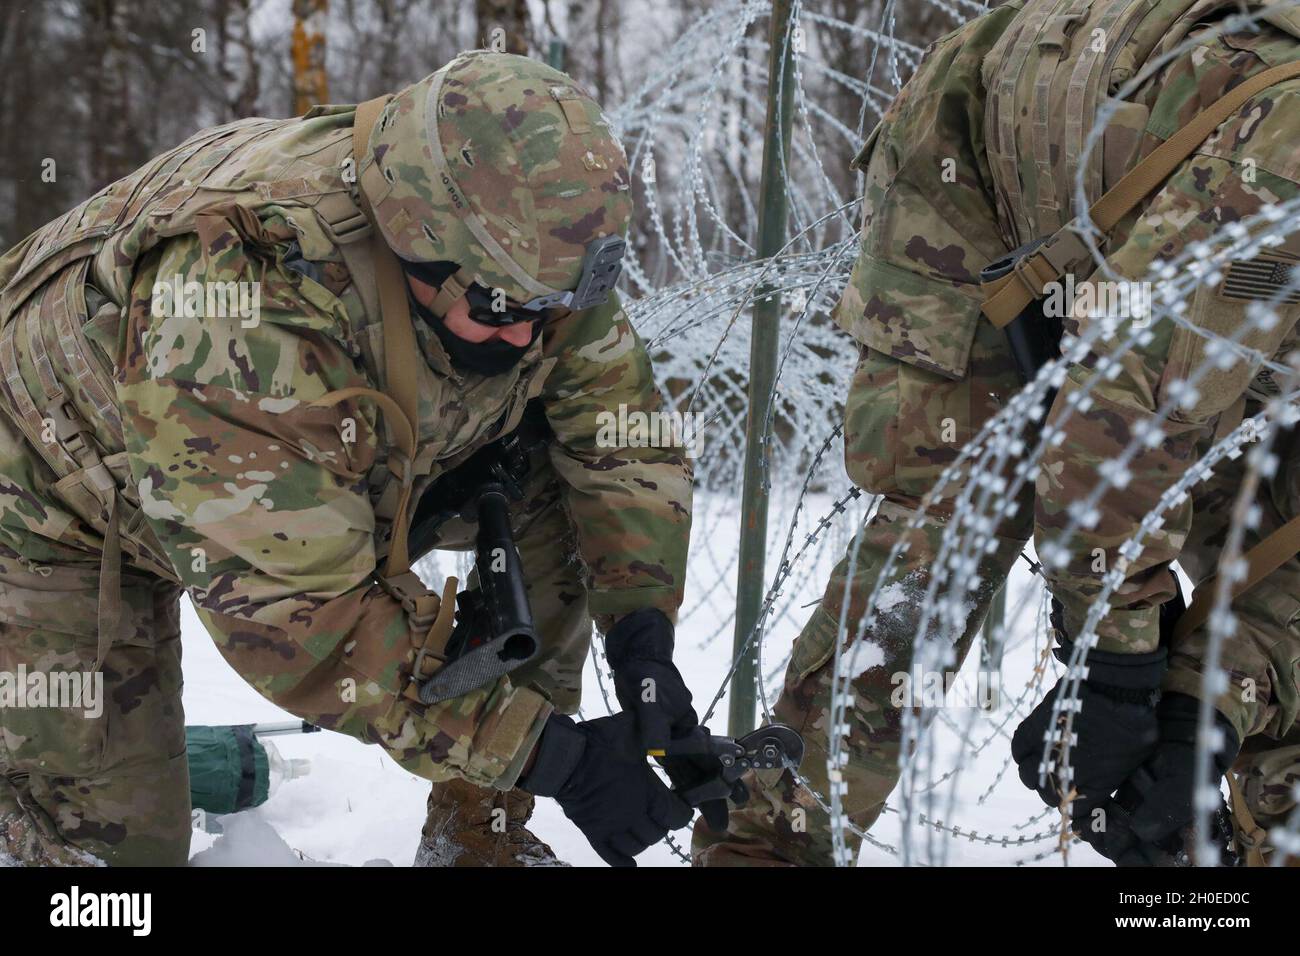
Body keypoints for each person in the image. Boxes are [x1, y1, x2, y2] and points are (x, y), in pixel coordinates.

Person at [0, 51, 704, 868]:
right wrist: (562, 761)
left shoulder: (521, 252)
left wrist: (642, 639)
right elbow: (309, 628)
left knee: (557, 479)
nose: (529, 336)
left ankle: (481, 829)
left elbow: (618, 431)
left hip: (289, 466)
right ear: (418, 245)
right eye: (503, 311)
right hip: (48, 506)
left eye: (552, 310)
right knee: (117, 865)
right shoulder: (242, 306)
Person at [694, 0, 1300, 867]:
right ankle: (769, 842)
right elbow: (1120, 414)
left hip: (1164, 228)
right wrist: (1119, 667)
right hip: (983, 155)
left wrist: (1204, 709)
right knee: (950, 518)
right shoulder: (1285, 171)